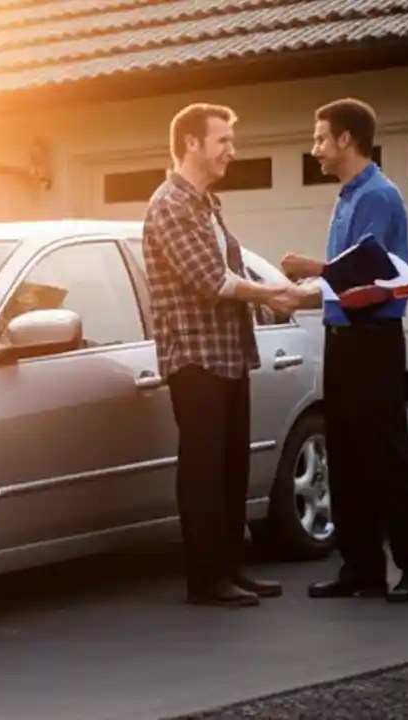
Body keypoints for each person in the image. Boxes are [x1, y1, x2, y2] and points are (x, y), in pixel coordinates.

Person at [280, 98, 408, 603]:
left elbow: (363, 273)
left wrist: (310, 271)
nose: (316, 150)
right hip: (343, 338)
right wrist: (299, 295)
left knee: (387, 456)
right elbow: (342, 286)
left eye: (320, 139)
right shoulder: (347, 195)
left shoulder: (377, 196)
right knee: (347, 455)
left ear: (345, 140)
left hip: (373, 340)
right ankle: (362, 566)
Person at [143, 103, 299, 607]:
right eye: (223, 141)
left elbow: (229, 273)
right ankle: (207, 579)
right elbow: (211, 281)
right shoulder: (170, 205)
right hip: (195, 357)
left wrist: (276, 291)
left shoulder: (208, 203)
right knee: (204, 470)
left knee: (231, 468)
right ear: (192, 143)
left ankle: (233, 569)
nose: (232, 150)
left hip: (228, 354)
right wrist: (272, 294)